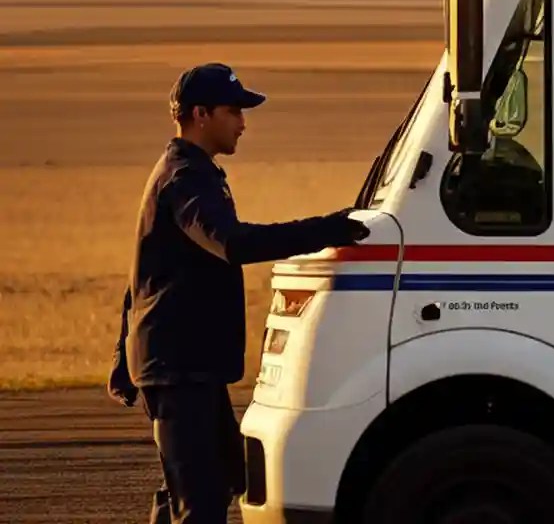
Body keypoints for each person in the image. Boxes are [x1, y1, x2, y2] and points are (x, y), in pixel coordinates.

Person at [107, 62, 370, 524]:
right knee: (201, 503)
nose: (244, 124)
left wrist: (123, 356)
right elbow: (232, 243)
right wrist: (328, 230)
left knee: (218, 481)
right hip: (177, 369)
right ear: (200, 114)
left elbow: (145, 276)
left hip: (188, 366)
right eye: (234, 111)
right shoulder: (184, 179)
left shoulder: (195, 173)